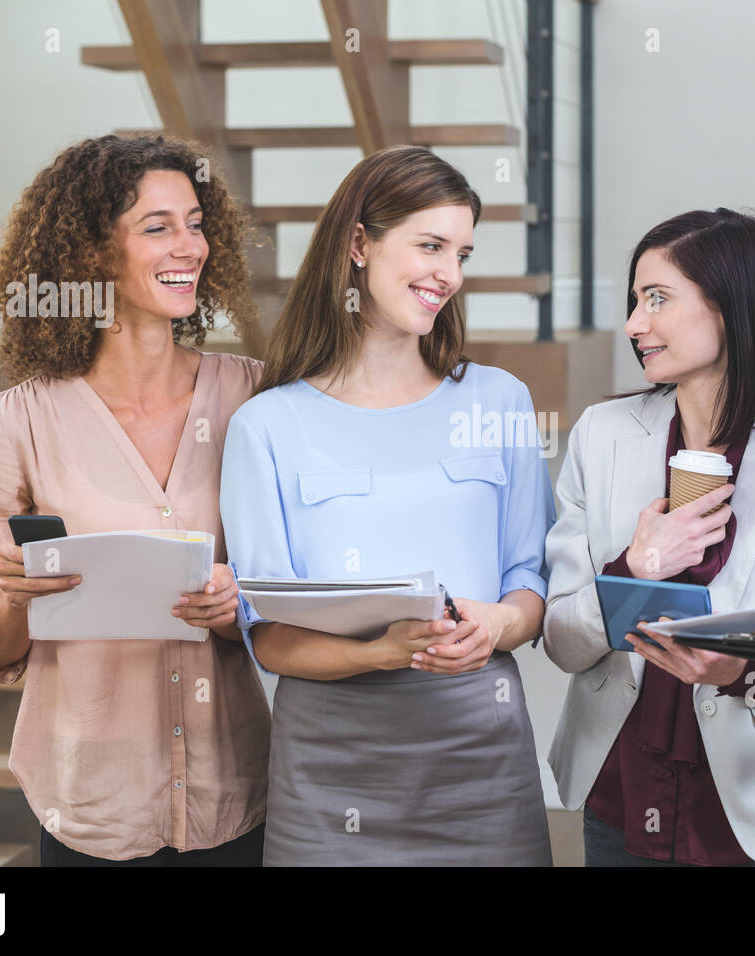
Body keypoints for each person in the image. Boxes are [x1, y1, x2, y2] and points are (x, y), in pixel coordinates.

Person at [220, 145, 554, 866]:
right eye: (430, 245)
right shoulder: (267, 426)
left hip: (480, 752)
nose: (449, 274)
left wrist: (499, 621)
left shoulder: (500, 402)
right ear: (358, 244)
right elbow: (268, 636)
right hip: (331, 765)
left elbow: (532, 579)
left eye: (461, 252)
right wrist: (379, 651)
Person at [0, 134, 271, 865]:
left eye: (195, 223)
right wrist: (17, 600)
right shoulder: (15, 422)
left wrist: (238, 606)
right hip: (89, 804)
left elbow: (289, 597)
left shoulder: (252, 396)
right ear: (91, 255)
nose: (189, 246)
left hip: (234, 794)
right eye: (157, 227)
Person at [543, 208, 755, 866]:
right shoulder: (601, 437)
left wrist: (745, 672)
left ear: (733, 308)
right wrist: (638, 564)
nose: (635, 325)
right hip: (620, 789)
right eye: (635, 301)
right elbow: (563, 644)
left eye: (657, 299)